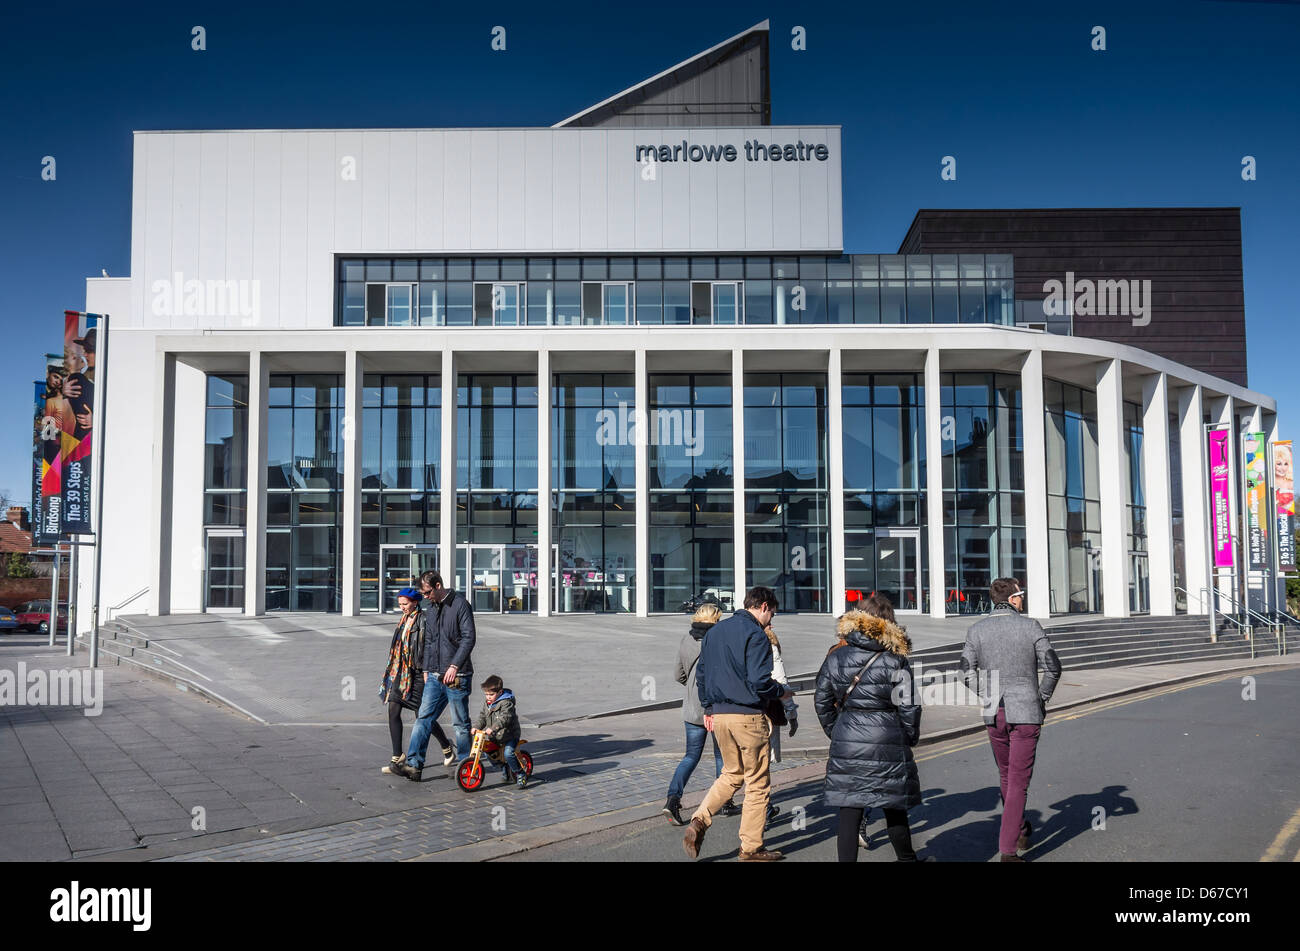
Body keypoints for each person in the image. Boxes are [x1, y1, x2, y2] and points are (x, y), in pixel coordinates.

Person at [682, 586, 793, 862]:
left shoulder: (715, 632)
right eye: (773, 614)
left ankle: (699, 819)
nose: (772, 620)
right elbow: (758, 681)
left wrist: (709, 707)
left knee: (731, 774)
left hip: (719, 715)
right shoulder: (756, 634)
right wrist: (781, 692)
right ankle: (751, 848)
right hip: (748, 716)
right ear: (764, 607)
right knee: (757, 783)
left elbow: (703, 676)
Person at [814, 594, 926, 862]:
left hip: (849, 736)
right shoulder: (895, 659)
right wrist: (907, 737)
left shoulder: (837, 656)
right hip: (887, 735)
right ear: (888, 621)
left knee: (849, 813)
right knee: (894, 808)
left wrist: (837, 730)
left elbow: (821, 700)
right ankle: (907, 860)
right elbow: (909, 706)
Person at [960, 577, 1062, 862]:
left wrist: (989, 693)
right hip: (1026, 711)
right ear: (1014, 598)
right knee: (1018, 781)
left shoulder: (976, 630)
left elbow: (965, 672)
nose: (1023, 599)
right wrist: (1040, 697)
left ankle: (1018, 827)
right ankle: (1008, 851)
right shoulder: (1030, 627)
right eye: (1022, 595)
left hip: (995, 712)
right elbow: (1053, 667)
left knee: (1006, 775)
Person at [394, 569, 476, 781]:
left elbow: (469, 638)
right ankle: (414, 765)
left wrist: (454, 666)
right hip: (434, 676)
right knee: (423, 718)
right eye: (423, 594)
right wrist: (426, 669)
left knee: (460, 724)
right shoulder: (431, 608)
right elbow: (429, 641)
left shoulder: (460, 605)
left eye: (427, 592)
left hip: (458, 675)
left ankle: (465, 766)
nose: (425, 597)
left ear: (438, 586)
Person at [662, 603, 726, 825]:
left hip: (691, 708)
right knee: (722, 756)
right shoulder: (717, 641)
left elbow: (678, 674)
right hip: (715, 707)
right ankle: (724, 801)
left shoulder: (686, 639)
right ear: (716, 620)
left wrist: (690, 688)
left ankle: (672, 799)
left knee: (690, 756)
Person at [378, 588, 452, 774]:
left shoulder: (424, 619)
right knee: (393, 708)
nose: (401, 607)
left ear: (415, 602)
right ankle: (397, 756)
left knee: (422, 715)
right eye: (400, 603)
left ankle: (446, 746)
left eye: (405, 604)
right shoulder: (403, 620)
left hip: (419, 673)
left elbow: (430, 644)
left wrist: (431, 669)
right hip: (402, 672)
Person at [472, 675, 526, 788]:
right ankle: (504, 767)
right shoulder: (487, 703)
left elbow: (505, 718)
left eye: (491, 694)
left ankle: (520, 773)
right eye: (486, 694)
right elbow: (482, 717)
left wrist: (492, 728)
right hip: (496, 736)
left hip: (510, 735)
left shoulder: (507, 703)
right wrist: (476, 727)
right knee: (489, 753)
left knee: (508, 753)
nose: (488, 697)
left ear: (500, 692)